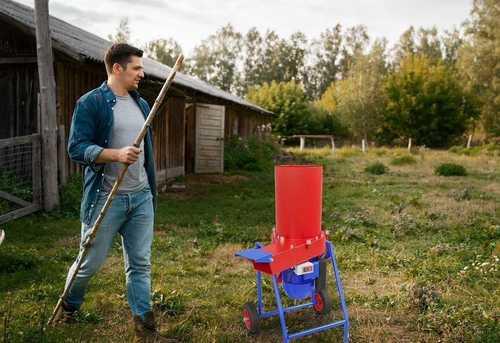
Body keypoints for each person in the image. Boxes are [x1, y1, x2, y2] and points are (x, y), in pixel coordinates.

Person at [64, 43, 172, 342]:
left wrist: (149, 190)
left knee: (140, 264)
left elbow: (146, 152)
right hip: (105, 198)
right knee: (89, 264)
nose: (142, 73)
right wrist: (115, 154)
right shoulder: (91, 103)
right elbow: (76, 148)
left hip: (140, 198)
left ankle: (145, 331)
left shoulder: (142, 104)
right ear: (117, 68)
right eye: (136, 68)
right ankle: (69, 306)